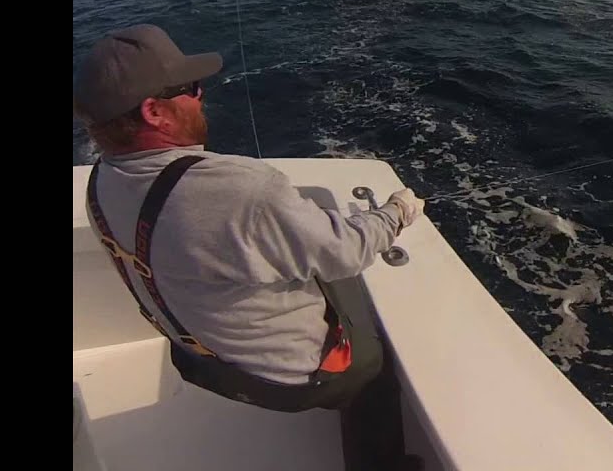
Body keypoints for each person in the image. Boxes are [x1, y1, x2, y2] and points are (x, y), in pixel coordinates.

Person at [73, 23, 424, 470]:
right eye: (190, 88)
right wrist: (395, 211)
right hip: (287, 382)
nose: (201, 96)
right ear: (153, 112)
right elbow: (345, 252)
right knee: (375, 371)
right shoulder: (242, 188)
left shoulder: (98, 183)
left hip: (203, 364)